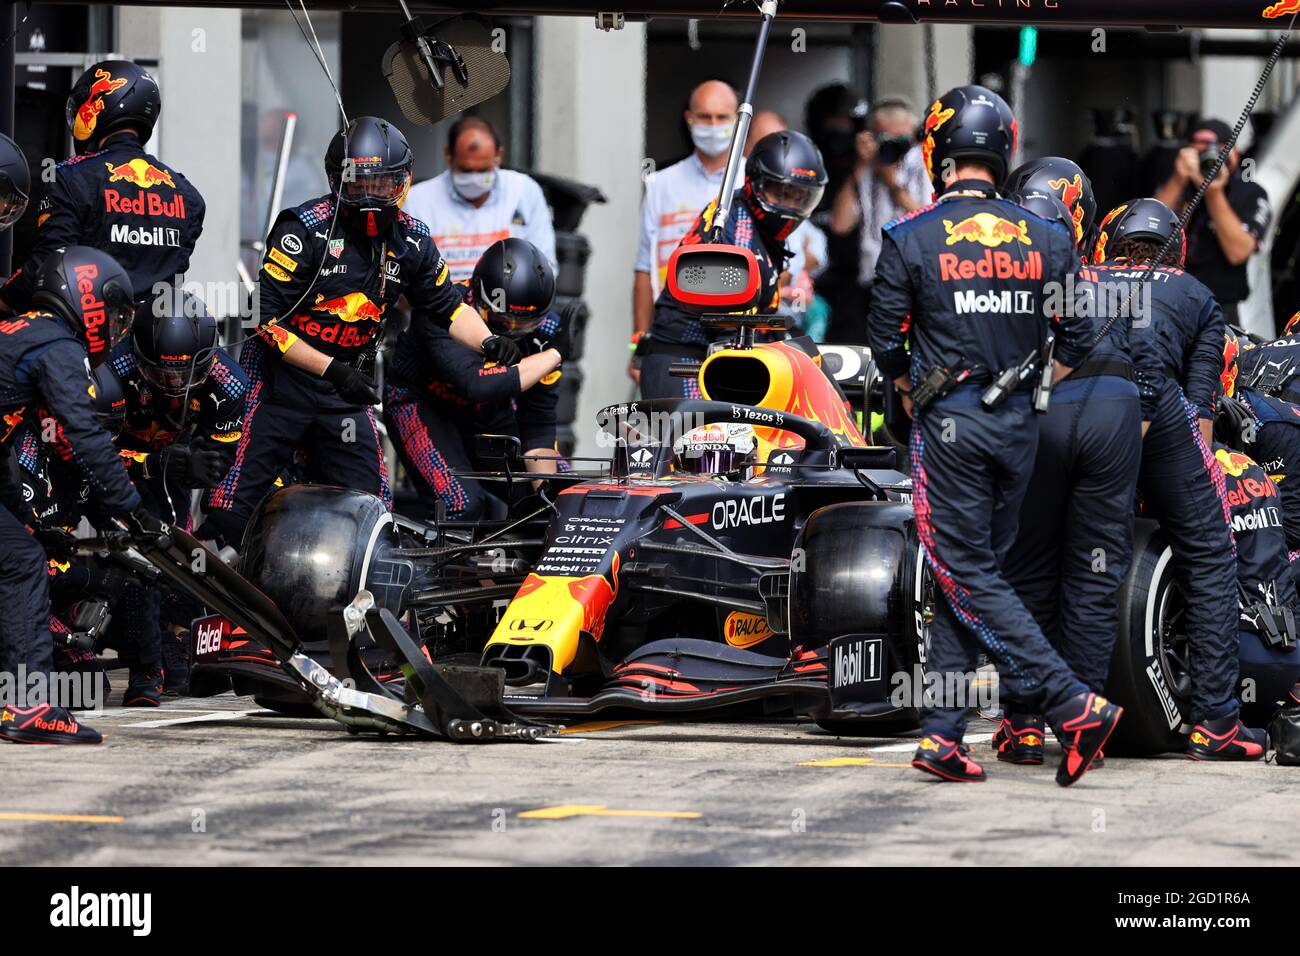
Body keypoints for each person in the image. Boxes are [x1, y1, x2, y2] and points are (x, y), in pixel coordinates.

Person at [866, 84, 1119, 787]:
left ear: (936, 154)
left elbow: (884, 339)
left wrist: (910, 387)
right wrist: (1034, 381)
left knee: (964, 570)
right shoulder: (1046, 238)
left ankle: (1071, 702)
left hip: (949, 430)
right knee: (967, 572)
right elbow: (1082, 333)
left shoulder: (909, 237)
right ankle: (943, 735)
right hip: (1020, 433)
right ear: (1003, 152)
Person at [203, 116, 508, 547]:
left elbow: (446, 306)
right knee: (226, 511)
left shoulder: (414, 242)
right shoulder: (302, 232)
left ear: (404, 181)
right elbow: (263, 323)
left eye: (382, 184)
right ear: (335, 180)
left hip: (345, 395)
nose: (370, 195)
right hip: (275, 387)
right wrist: (331, 369)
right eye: (359, 183)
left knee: (371, 518)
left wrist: (490, 342)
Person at [1084, 200, 1264, 759]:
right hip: (1154, 406)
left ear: (1106, 244)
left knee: (1047, 554)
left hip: (1066, 410)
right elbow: (1201, 420)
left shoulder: (1074, 279)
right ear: (1178, 251)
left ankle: (1025, 723)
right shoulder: (1195, 295)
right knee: (1209, 551)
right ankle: (1217, 723)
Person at [995, 168, 1154, 766]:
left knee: (1026, 570)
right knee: (1093, 575)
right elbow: (1150, 376)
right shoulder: (1114, 285)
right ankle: (1079, 721)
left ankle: (1023, 723)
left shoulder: (996, 276)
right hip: (1114, 410)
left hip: (1040, 413)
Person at [0, 246, 151, 745]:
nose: (113, 329)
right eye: (112, 315)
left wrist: (29, 519)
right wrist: (128, 506)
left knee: (19, 550)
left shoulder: (20, 331)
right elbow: (83, 431)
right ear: (87, 297)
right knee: (21, 564)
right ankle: (28, 706)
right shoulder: (58, 344)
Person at [107, 293, 247, 704]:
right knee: (135, 556)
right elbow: (86, 451)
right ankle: (144, 668)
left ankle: (181, 649)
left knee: (182, 555)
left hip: (175, 458)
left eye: (185, 374)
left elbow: (225, 454)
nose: (175, 384)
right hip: (120, 459)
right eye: (164, 375)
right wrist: (152, 463)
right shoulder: (108, 369)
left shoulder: (229, 382)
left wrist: (206, 463)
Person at [0, 60, 204, 315]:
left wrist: (4, 297)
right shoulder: (189, 197)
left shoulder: (69, 177)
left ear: (100, 105)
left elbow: (48, 264)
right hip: (157, 344)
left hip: (90, 339)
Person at [386, 238, 566, 521]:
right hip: (421, 404)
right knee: (461, 503)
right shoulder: (444, 307)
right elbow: (475, 383)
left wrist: (548, 496)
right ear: (481, 299)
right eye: (507, 321)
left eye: (526, 325)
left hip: (488, 411)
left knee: (566, 497)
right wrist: (554, 355)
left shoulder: (549, 332)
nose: (515, 332)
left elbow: (538, 424)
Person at [638, 129, 826, 401]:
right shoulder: (735, 229)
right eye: (782, 193)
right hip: (689, 366)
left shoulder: (763, 230)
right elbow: (731, 323)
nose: (789, 206)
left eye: (800, 198)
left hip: (722, 361)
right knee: (703, 443)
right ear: (756, 183)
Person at [630, 79, 739, 386]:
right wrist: (638, 342)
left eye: (722, 117)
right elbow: (644, 269)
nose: (713, 125)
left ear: (738, 122)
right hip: (673, 334)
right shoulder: (661, 184)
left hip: (736, 334)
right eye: (704, 117)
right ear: (689, 118)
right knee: (673, 427)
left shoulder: (751, 181)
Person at [401, 116, 556, 284]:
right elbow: (401, 279)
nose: (474, 179)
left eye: (483, 170)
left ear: (498, 156)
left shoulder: (524, 191)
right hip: (440, 307)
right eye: (466, 171)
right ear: (448, 155)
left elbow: (545, 270)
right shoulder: (415, 202)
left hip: (509, 307)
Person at [826, 97, 931, 343]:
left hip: (913, 283)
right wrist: (861, 164)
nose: (894, 145)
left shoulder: (923, 162)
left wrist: (891, 180)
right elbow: (840, 224)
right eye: (886, 138)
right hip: (871, 283)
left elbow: (929, 221)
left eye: (901, 138)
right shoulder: (867, 166)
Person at [1155, 119, 1271, 326]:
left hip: (1222, 308)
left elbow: (1238, 252)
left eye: (1217, 151)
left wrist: (1213, 192)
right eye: (1200, 151)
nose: (1209, 159)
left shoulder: (1251, 193)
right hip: (1173, 302)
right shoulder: (1182, 186)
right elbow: (1151, 226)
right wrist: (1180, 179)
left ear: (1235, 153)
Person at [745, 110, 830, 331]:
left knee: (813, 360)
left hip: (787, 322)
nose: (788, 203)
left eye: (796, 196)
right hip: (742, 327)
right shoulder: (733, 207)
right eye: (780, 193)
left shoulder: (792, 208)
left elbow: (816, 251)